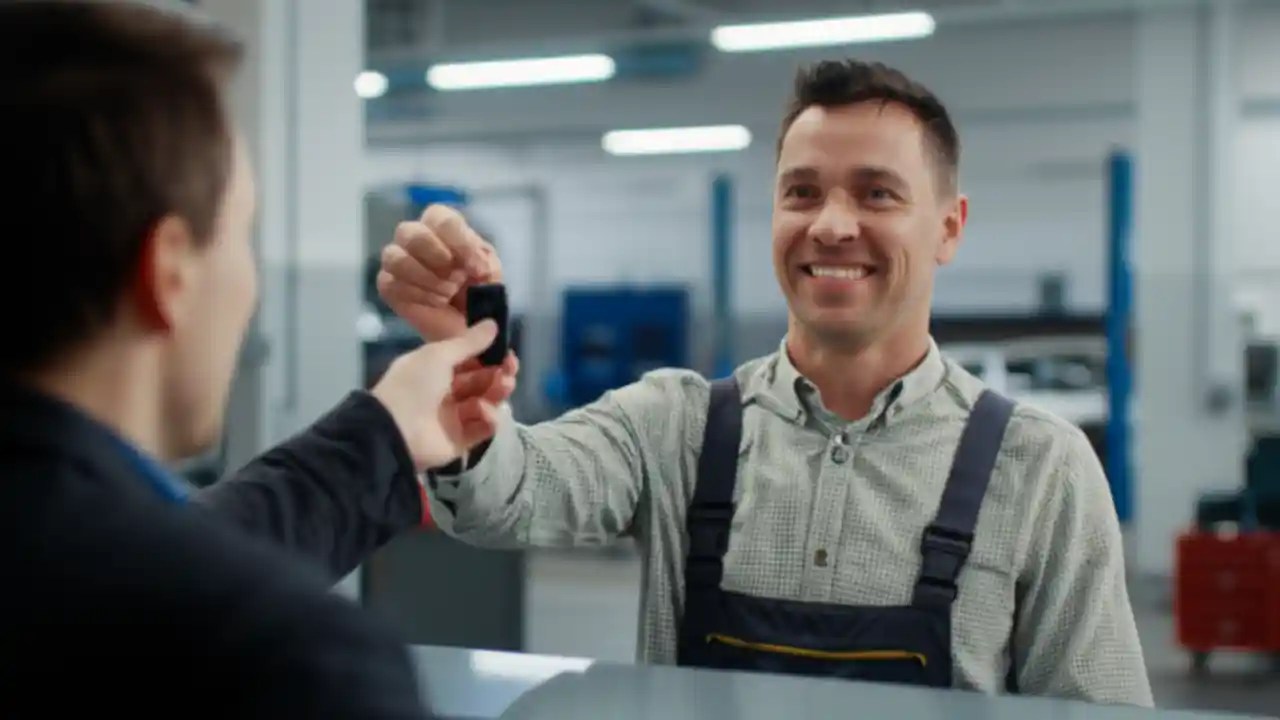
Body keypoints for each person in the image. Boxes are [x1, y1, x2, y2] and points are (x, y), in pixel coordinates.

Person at [378, 59, 1154, 706]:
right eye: (802, 192)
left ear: (949, 226)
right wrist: (468, 399)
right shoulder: (674, 426)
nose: (831, 224)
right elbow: (511, 497)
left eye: (877, 192)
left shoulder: (1043, 470)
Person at [0, 3, 513, 716]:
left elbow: (143, 555)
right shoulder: (294, 667)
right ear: (169, 271)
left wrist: (387, 433)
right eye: (241, 233)